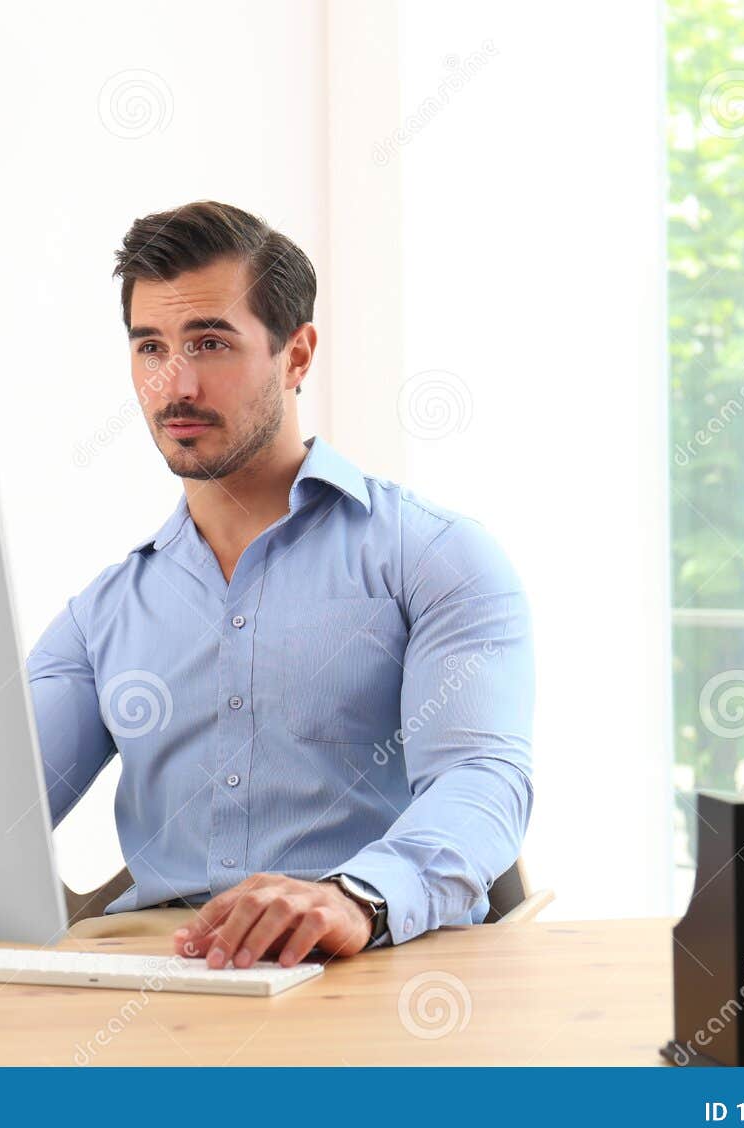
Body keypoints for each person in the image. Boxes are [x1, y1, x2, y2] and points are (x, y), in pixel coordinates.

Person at [27, 201, 533, 969]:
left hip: (368, 965)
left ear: (297, 356)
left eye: (210, 343)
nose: (177, 383)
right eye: (151, 347)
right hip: (161, 986)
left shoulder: (435, 556)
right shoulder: (102, 614)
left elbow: (482, 779)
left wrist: (354, 895)